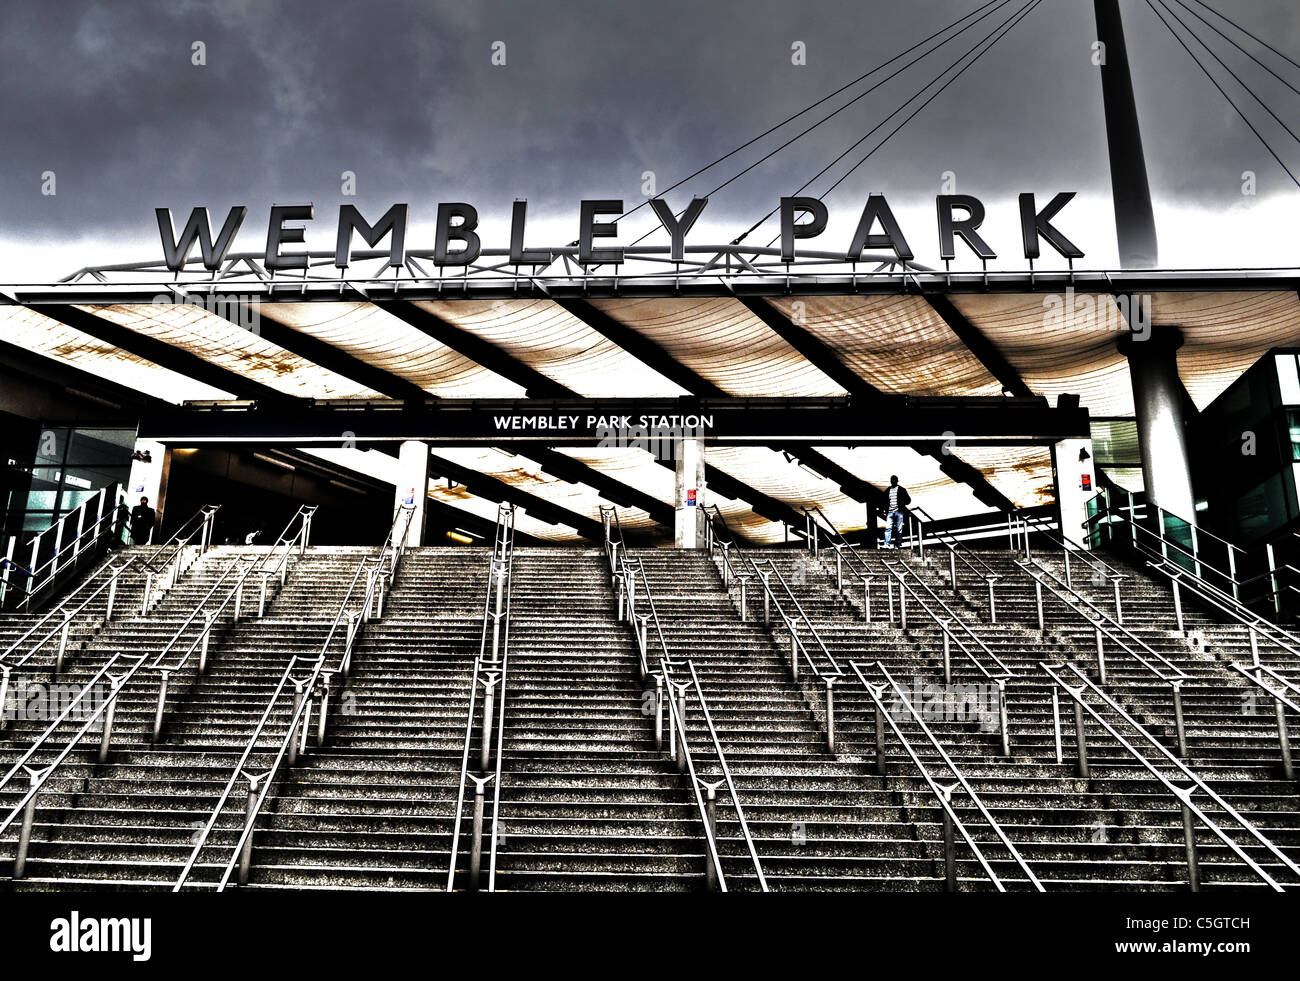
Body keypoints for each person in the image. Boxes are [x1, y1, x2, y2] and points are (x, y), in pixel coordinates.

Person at [882, 475, 910, 549]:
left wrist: (902, 504)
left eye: (894, 480)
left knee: (898, 529)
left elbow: (908, 500)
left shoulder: (901, 490)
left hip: (898, 511)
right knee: (889, 528)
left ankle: (897, 545)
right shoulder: (888, 490)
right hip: (890, 512)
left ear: (897, 481)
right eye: (892, 480)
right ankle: (888, 544)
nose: (893, 481)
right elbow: (883, 500)